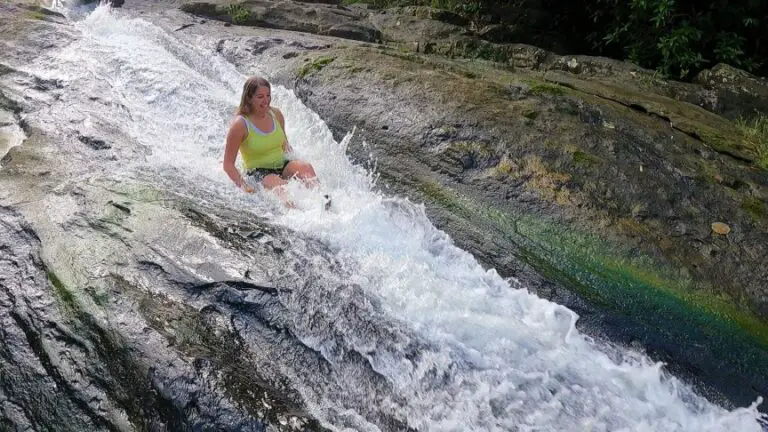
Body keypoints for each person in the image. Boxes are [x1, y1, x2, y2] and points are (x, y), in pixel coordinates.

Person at [223, 76, 323, 207]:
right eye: (260, 97)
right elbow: (228, 165)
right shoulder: (240, 124)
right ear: (249, 98)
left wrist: (297, 163)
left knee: (306, 168)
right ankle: (299, 215)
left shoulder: (276, 114)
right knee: (282, 188)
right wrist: (244, 186)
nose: (266, 101)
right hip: (258, 172)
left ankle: (324, 203)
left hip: (281, 164)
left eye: (268, 96)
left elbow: (285, 145)